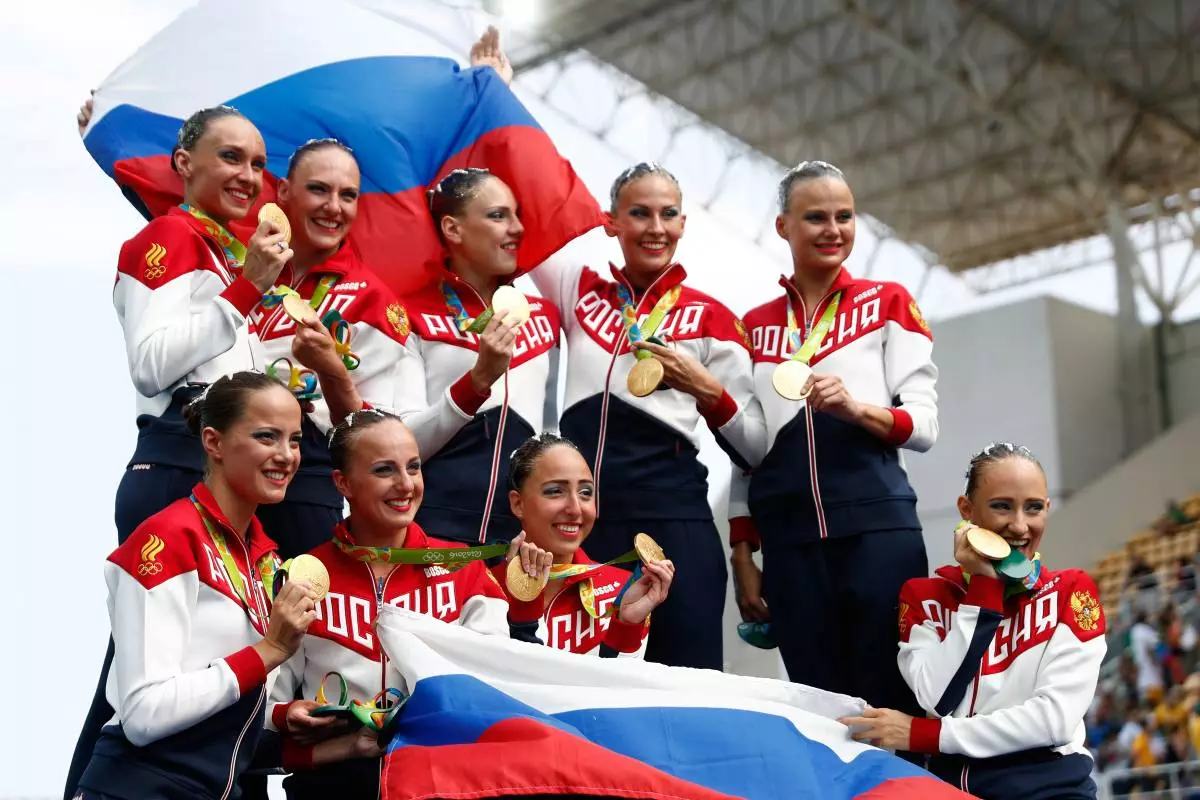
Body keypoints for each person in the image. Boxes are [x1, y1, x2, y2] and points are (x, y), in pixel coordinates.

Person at [66, 105, 291, 800]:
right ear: (182, 163)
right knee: (139, 679)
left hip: (218, 463)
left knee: (202, 659)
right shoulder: (169, 237)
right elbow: (152, 364)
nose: (249, 175)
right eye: (230, 157)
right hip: (177, 461)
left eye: (258, 163)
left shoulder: (224, 249)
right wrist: (247, 287)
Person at [530, 162, 764, 671]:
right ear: (611, 222)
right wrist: (495, 91)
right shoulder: (578, 289)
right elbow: (528, 210)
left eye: (668, 214)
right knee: (591, 680)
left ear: (683, 224)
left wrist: (704, 387)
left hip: (674, 521)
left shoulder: (713, 318)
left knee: (688, 683)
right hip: (584, 523)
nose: (655, 228)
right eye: (639, 214)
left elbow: (756, 447)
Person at [728, 160, 937, 720]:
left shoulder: (888, 302)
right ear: (783, 227)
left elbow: (924, 427)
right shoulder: (754, 325)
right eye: (815, 217)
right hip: (791, 544)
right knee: (819, 707)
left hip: (877, 532)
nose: (833, 229)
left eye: (844, 216)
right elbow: (747, 456)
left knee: (893, 700)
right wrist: (743, 551)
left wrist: (858, 408)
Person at [74, 372, 319, 799]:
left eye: (294, 440)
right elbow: (144, 712)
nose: (286, 456)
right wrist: (269, 651)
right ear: (214, 442)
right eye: (267, 437)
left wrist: (281, 716)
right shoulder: (168, 539)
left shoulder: (265, 559)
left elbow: (220, 697)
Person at [265, 409, 516, 799]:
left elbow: (495, 681)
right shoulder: (300, 575)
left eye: (413, 467)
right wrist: (286, 715)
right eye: (384, 470)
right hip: (331, 784)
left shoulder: (464, 570)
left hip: (440, 781)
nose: (405, 485)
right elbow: (267, 703)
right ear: (343, 483)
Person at [840, 443, 1106, 800]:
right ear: (967, 510)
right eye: (1001, 506)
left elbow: (1053, 720)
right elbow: (938, 697)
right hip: (949, 791)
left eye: (1034, 508)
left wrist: (923, 735)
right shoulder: (924, 597)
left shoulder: (1069, 592)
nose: (1019, 525)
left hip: (1051, 790)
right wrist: (984, 586)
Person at [249, 137, 414, 558]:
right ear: (283, 191)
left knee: (304, 615)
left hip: (305, 478)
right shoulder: (244, 263)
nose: (334, 207)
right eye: (319, 189)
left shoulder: (375, 302)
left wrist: (332, 371)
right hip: (220, 463)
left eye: (348, 196)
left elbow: (371, 439)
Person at [401, 167, 559, 546]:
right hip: (429, 534)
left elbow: (549, 434)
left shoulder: (545, 316)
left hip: (518, 546)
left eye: (517, 215)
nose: (518, 228)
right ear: (453, 229)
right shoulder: (409, 313)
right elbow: (401, 443)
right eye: (498, 215)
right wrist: (477, 382)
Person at [498, 433, 675, 658]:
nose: (575, 509)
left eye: (585, 492)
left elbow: (615, 690)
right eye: (555, 491)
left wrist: (625, 626)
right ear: (518, 503)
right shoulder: (483, 584)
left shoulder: (621, 590)